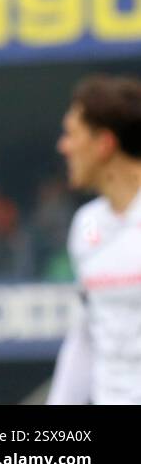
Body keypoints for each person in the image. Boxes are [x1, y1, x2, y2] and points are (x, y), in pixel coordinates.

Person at [47, 74, 141, 404]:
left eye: (72, 134)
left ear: (104, 143)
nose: (63, 146)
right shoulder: (87, 226)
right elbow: (86, 336)